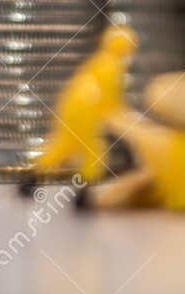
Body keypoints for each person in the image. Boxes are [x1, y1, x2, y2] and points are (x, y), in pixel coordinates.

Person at [33, 24, 138, 184]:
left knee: (64, 144)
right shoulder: (112, 66)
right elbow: (111, 99)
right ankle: (87, 188)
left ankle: (34, 175)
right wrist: (126, 117)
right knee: (93, 150)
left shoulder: (100, 61)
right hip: (85, 111)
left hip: (70, 106)